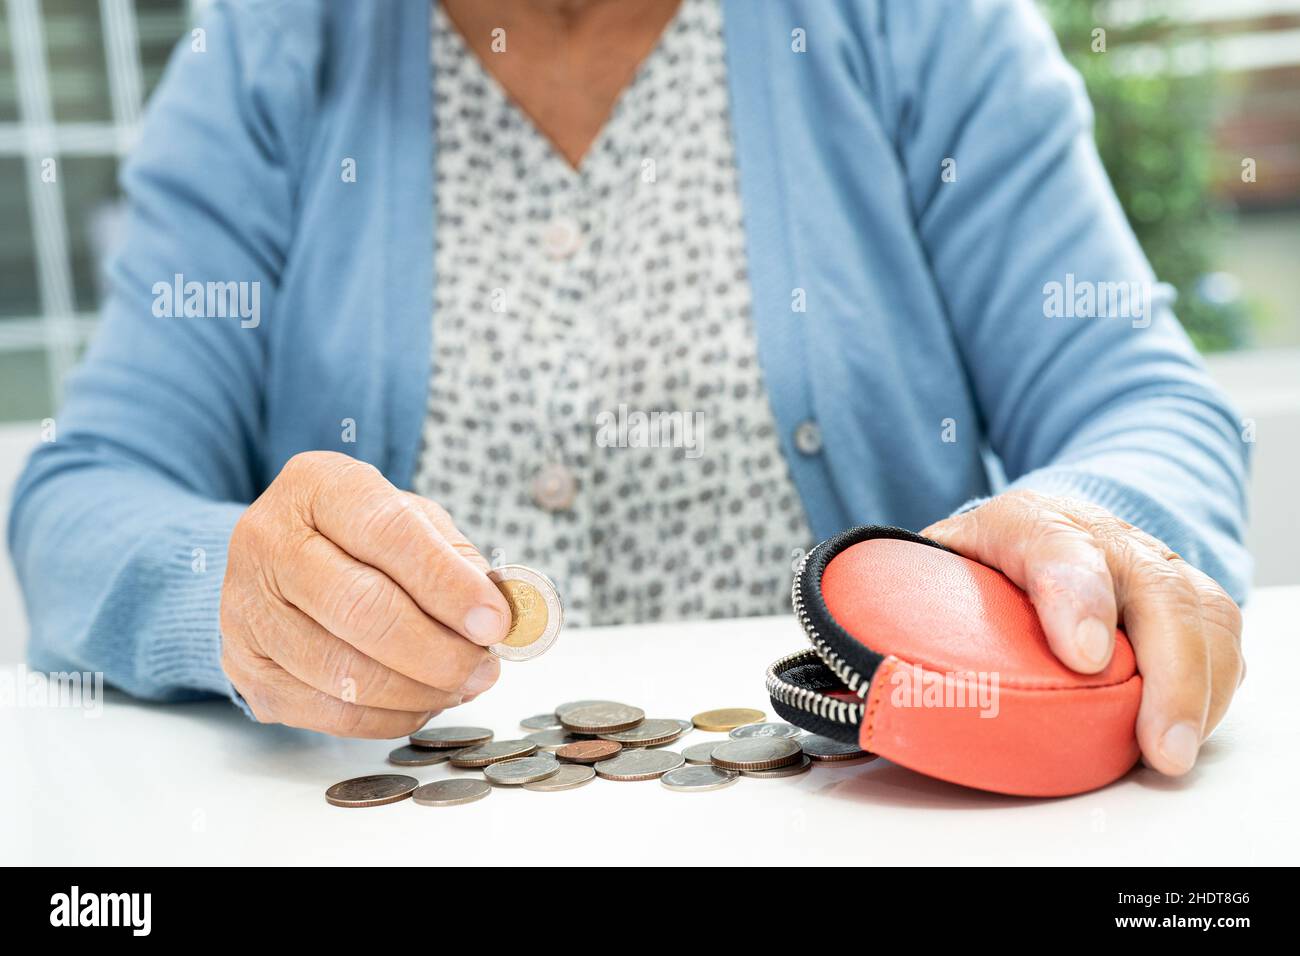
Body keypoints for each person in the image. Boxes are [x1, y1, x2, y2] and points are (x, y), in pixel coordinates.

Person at [8, 0, 1248, 780]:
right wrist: (233, 586)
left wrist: (1089, 524)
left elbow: (1144, 402)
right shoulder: (269, 51)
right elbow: (83, 491)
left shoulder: (917, 26)